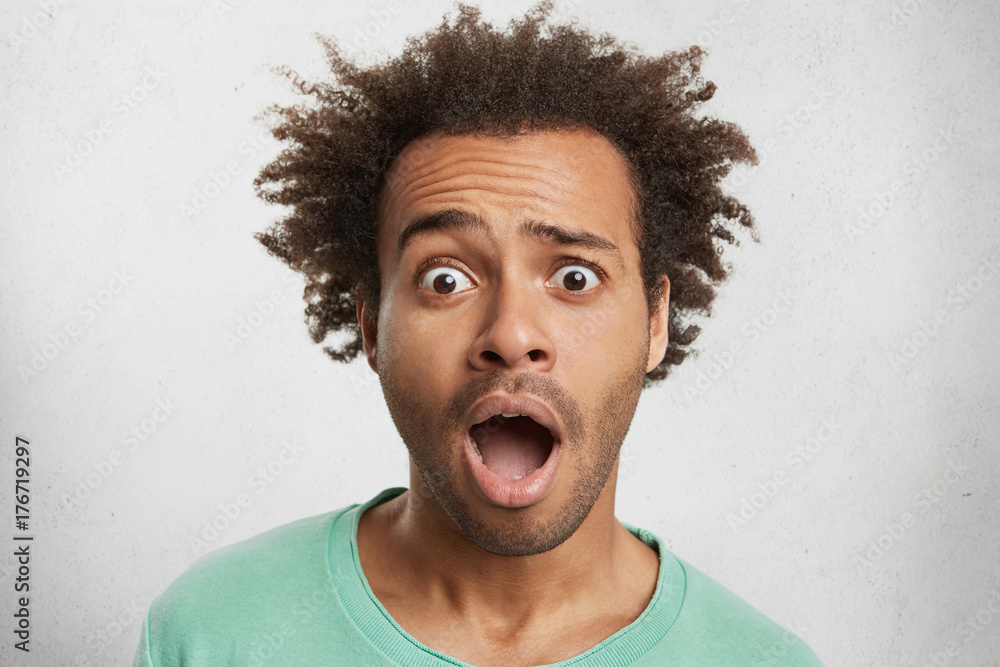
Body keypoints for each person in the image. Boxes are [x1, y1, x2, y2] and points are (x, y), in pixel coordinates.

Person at [134, 3, 823, 665]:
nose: (511, 333)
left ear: (654, 321)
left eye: (575, 278)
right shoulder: (213, 633)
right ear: (372, 326)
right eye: (445, 280)